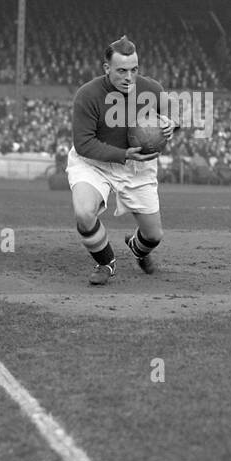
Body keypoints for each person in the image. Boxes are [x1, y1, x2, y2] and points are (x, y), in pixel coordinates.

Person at [67, 35, 173, 286]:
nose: (129, 77)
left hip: (137, 166)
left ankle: (138, 249)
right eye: (122, 70)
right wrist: (123, 154)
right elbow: (84, 144)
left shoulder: (152, 89)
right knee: (84, 212)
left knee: (154, 235)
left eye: (134, 70)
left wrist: (170, 126)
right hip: (93, 162)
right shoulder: (87, 94)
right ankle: (106, 262)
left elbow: (169, 116)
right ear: (107, 68)